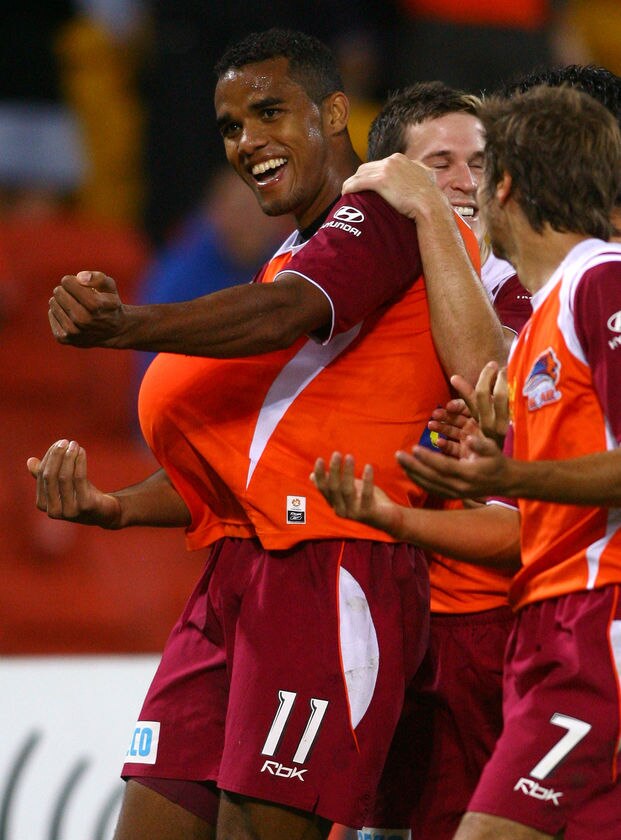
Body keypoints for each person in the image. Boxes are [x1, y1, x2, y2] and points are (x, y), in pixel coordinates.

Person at [29, 28, 505, 840]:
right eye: (230, 127)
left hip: (328, 566)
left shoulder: (382, 216)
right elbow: (250, 453)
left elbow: (283, 315)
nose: (247, 141)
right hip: (239, 570)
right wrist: (116, 507)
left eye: (269, 113)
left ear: (333, 115)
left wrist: (126, 324)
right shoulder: (291, 252)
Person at [376, 84, 621, 840]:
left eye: (481, 169)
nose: (469, 189)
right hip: (552, 615)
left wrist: (506, 477)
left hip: (599, 615)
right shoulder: (549, 304)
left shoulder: (602, 280)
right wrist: (498, 444)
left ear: (506, 185)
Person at [320, 81, 528, 840]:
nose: (467, 182)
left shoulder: (527, 296)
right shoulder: (347, 295)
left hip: (485, 623)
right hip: (378, 610)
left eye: (480, 162)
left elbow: (490, 382)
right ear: (390, 177)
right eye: (439, 164)